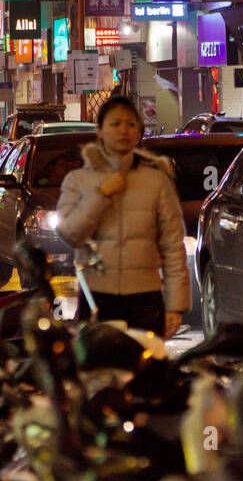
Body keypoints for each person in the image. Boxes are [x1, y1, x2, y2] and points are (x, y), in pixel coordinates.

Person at [56, 96, 189, 337]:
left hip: (145, 300)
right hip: (97, 296)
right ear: (101, 131)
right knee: (101, 371)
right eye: (115, 124)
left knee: (146, 370)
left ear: (139, 131)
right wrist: (101, 195)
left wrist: (175, 306)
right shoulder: (78, 181)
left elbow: (172, 246)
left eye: (130, 124)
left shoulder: (157, 181)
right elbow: (70, 234)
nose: (123, 130)